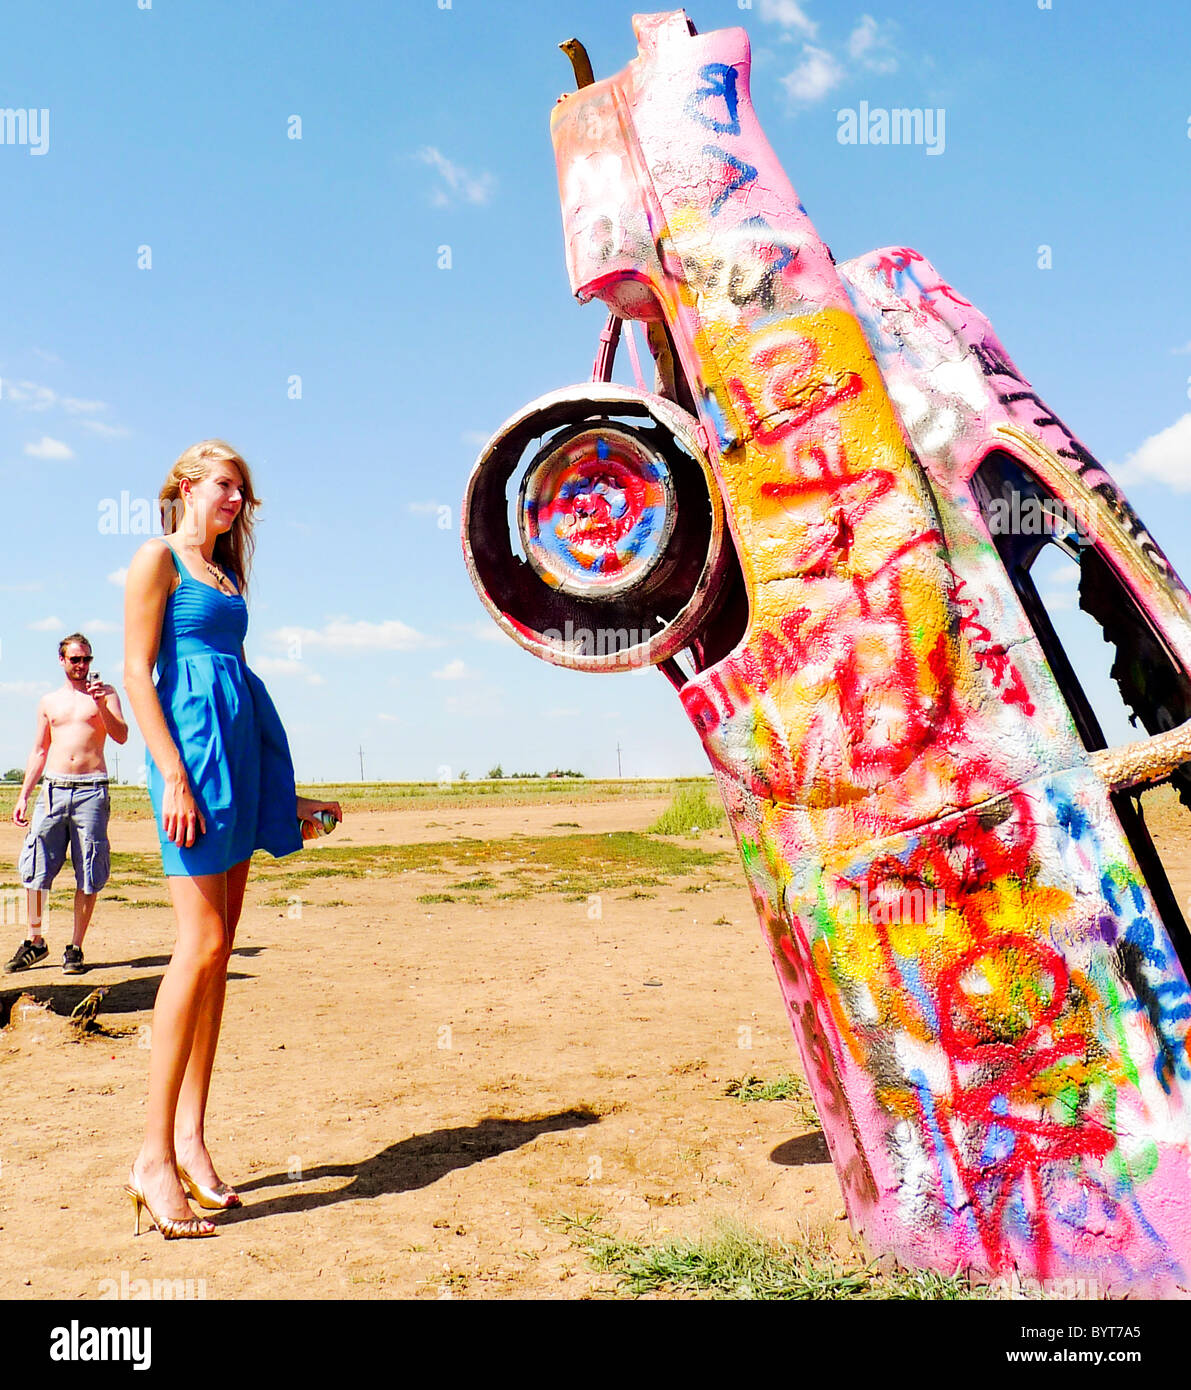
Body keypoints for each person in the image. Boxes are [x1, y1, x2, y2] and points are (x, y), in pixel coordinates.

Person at [122, 439, 341, 1239]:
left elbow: (237, 675)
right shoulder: (159, 558)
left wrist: (286, 792)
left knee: (218, 956)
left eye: (242, 491)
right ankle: (150, 1154)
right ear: (186, 484)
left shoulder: (227, 576)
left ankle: (191, 1139)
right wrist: (172, 774)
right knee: (202, 944)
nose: (235, 501)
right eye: (223, 485)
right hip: (189, 753)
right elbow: (138, 670)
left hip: (241, 749)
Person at [6, 634, 128, 976]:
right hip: (54, 788)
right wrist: (24, 794)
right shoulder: (49, 701)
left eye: (86, 659)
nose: (82, 666)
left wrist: (102, 704)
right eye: (75, 659)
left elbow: (121, 735)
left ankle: (75, 948)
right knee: (35, 865)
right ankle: (35, 941)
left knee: (89, 868)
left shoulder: (106, 695)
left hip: (92, 790)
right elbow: (40, 750)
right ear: (62, 661)